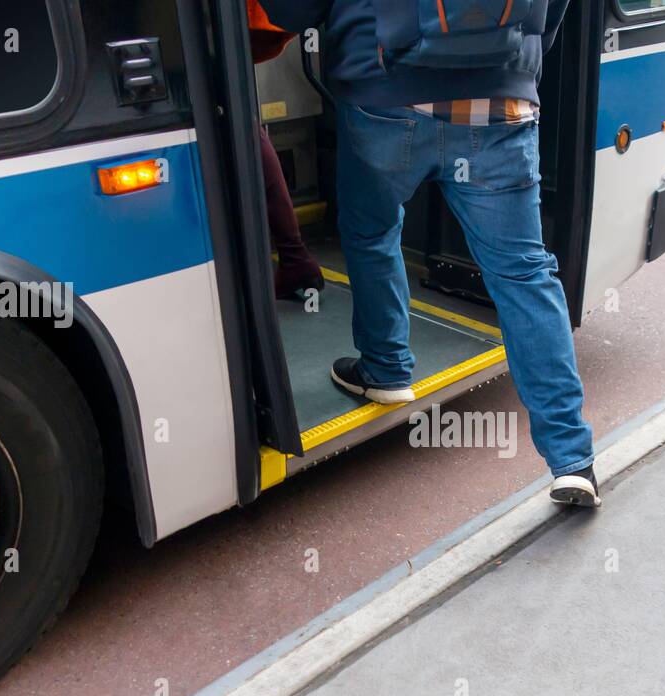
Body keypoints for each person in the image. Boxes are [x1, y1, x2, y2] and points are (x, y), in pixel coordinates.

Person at [259, 0, 600, 507]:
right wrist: (499, 63)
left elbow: (289, 12)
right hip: (501, 108)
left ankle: (387, 368)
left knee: (373, 234)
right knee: (523, 274)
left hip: (384, 102)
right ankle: (573, 461)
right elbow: (550, 18)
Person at [249, 1, 325, 299]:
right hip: (257, 18)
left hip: (220, 23)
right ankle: (295, 257)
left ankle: (295, 258)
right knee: (244, 125)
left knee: (238, 124)